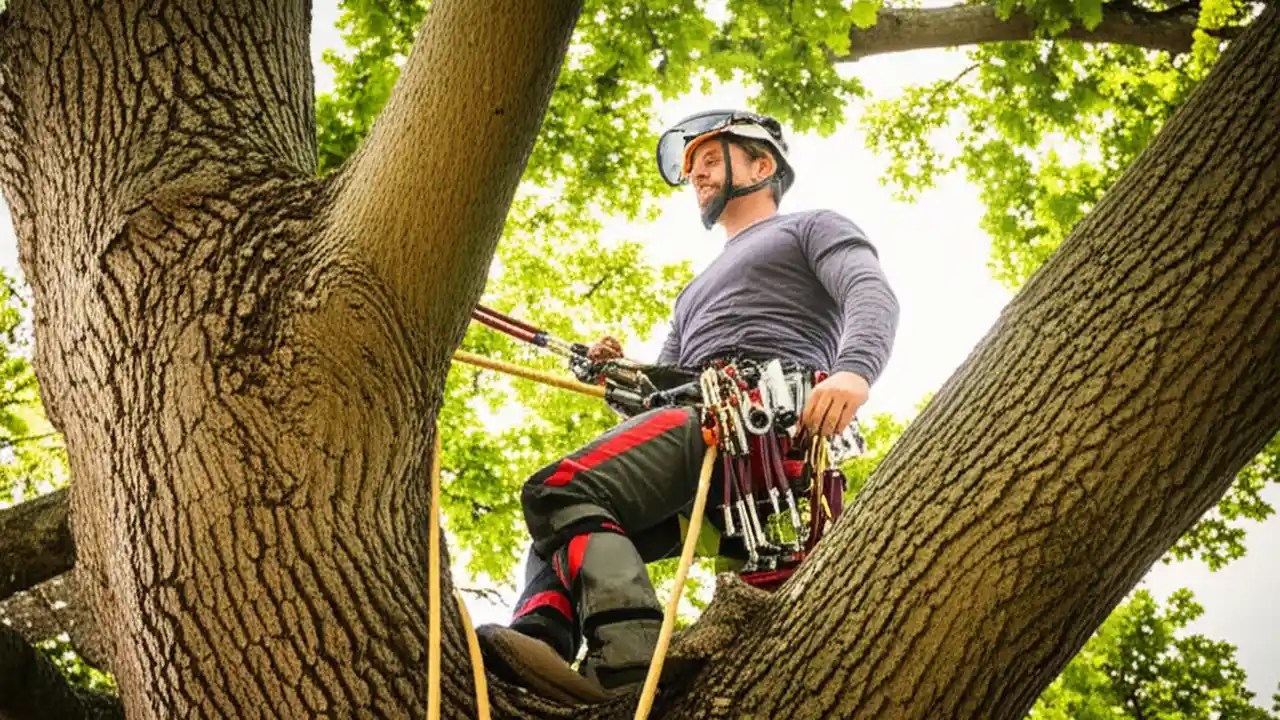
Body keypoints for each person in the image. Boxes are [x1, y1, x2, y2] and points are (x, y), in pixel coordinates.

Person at [477, 109, 900, 700]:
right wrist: (621, 374)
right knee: (558, 529)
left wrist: (855, 371)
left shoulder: (810, 227)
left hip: (754, 421)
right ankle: (542, 645)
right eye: (690, 167)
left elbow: (868, 289)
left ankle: (628, 660)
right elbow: (659, 402)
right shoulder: (692, 295)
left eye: (707, 160)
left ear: (761, 164)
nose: (694, 176)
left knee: (560, 489)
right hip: (700, 430)